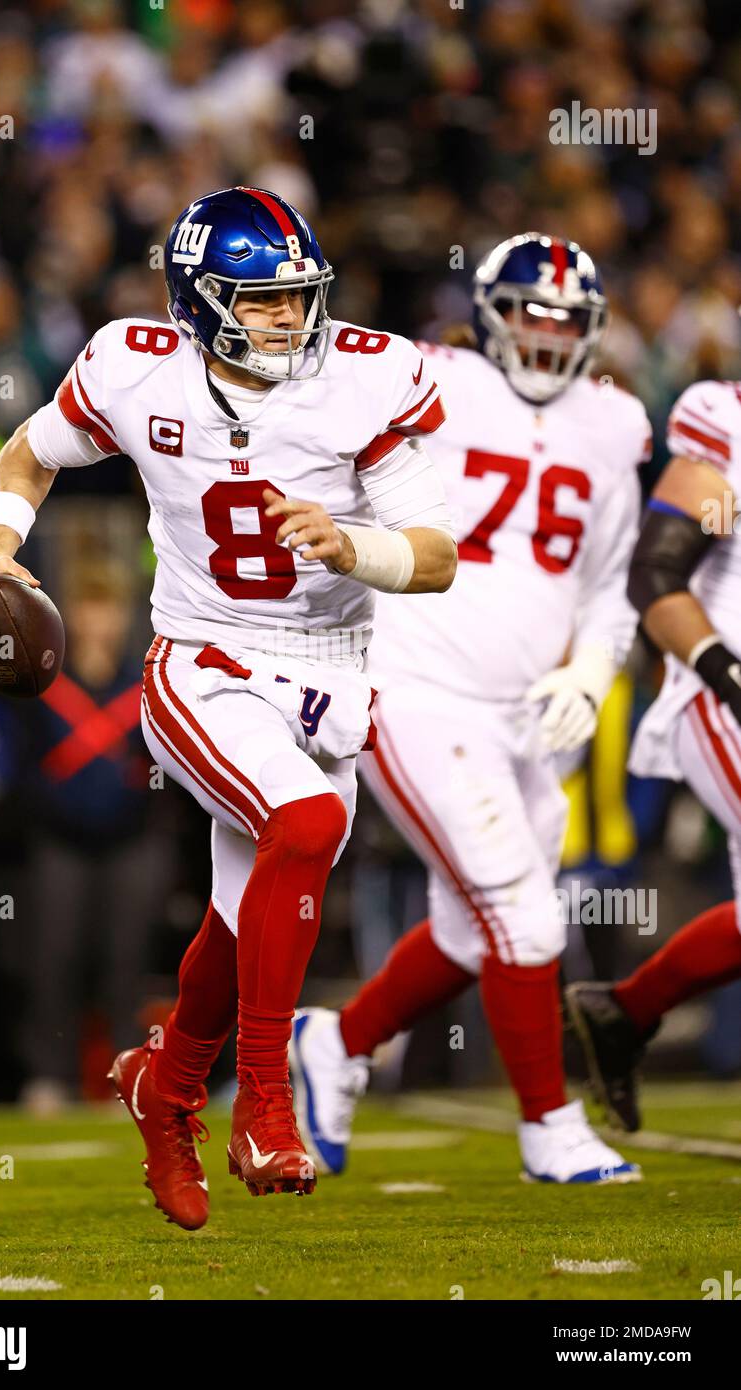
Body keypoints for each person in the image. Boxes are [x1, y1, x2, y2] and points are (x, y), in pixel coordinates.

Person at [0, 186, 456, 1229]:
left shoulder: (367, 376)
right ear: (198, 300)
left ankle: (165, 1083)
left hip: (330, 668)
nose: (288, 317)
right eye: (260, 299)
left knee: (240, 928)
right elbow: (32, 452)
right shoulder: (134, 366)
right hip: (202, 662)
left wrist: (349, 542)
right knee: (305, 824)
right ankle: (262, 1098)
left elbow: (437, 557)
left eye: (297, 296)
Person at [290, 233, 649, 1184]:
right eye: (531, 312)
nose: (546, 332)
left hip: (530, 711)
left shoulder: (614, 425)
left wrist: (592, 673)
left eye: (566, 319)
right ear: (489, 313)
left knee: (467, 927)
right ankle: (549, 1128)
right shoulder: (430, 380)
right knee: (525, 914)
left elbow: (611, 585)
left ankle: (338, 1043)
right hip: (416, 683)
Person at [567, 371, 741, 1131]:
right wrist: (723, 670)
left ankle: (624, 1011)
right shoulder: (726, 422)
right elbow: (658, 572)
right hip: (723, 681)